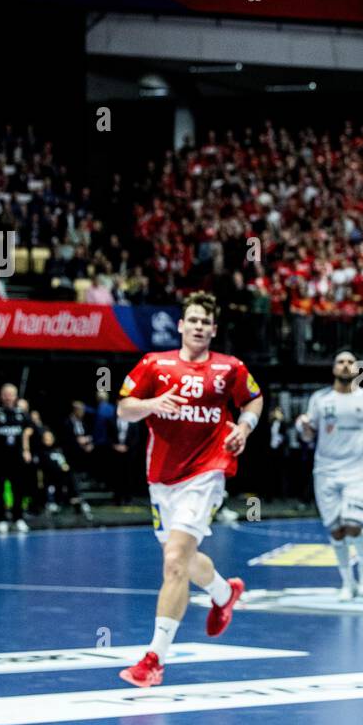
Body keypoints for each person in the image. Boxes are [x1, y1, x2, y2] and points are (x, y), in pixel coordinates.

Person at [115, 292, 263, 687]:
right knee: (183, 557)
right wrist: (153, 404)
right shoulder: (153, 364)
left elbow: (254, 399)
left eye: (205, 322)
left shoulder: (229, 368)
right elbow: (123, 408)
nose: (198, 327)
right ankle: (222, 593)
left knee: (175, 561)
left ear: (213, 330)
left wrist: (243, 428)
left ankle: (154, 659)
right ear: (181, 325)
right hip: (161, 477)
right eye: (192, 320)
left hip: (207, 472)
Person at [296, 350, 363, 600]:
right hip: (325, 471)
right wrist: (303, 426)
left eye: (350, 362)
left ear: (357, 369)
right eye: (341, 362)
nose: (346, 365)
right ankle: (347, 581)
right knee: (336, 530)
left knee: (353, 524)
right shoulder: (319, 399)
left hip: (357, 471)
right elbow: (308, 434)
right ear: (334, 368)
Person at [0, 383, 34, 533]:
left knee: (19, 489)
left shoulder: (21, 413)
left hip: (17, 458)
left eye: (12, 394)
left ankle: (18, 518)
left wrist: (26, 449)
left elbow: (27, 430)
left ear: (16, 396)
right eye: (6, 394)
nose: (9, 397)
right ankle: (1, 519)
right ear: (1, 396)